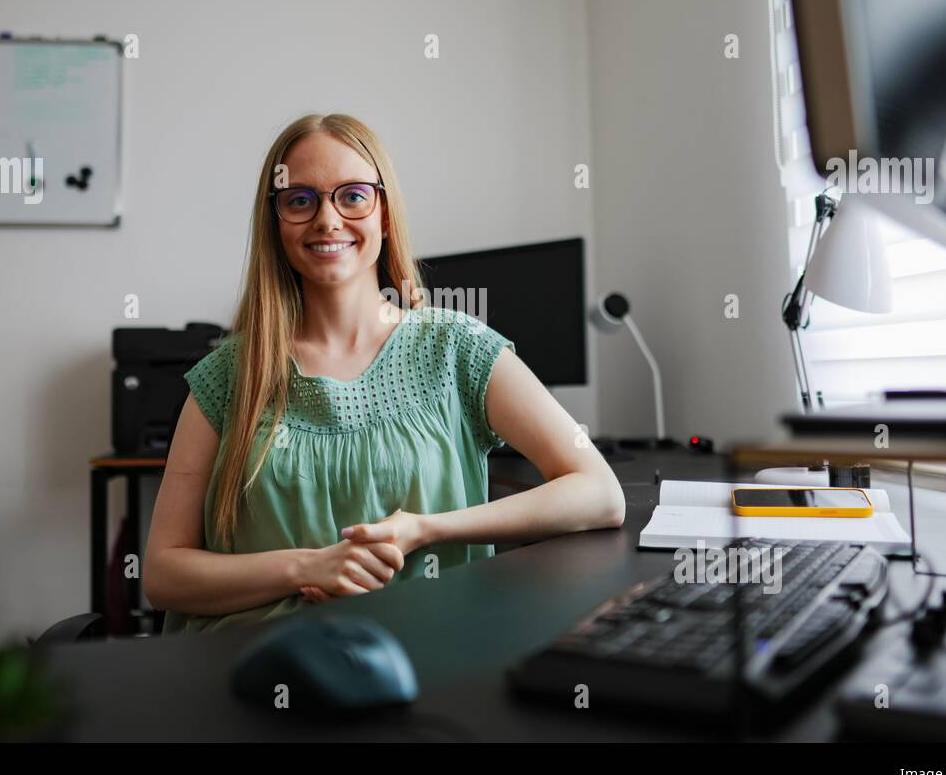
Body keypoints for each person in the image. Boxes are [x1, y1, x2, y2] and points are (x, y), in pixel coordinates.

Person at [145, 113, 625, 632]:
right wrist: (306, 568)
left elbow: (600, 492)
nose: (327, 219)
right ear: (275, 222)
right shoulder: (228, 376)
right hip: (255, 667)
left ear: (384, 214)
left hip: (424, 660)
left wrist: (424, 530)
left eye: (352, 196)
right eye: (300, 200)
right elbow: (163, 574)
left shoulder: (455, 349)